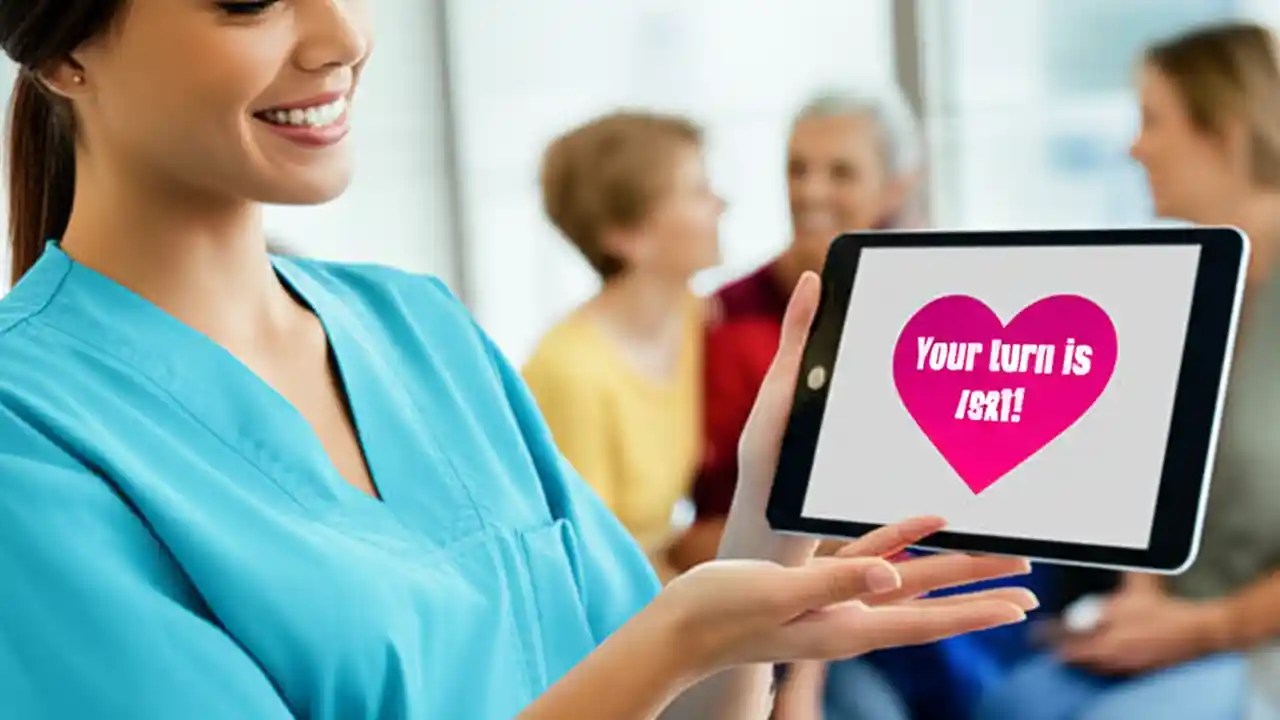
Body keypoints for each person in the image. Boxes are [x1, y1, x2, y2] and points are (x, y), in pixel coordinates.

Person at [0, 2, 1040, 719]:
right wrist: (672, 638)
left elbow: (672, 706)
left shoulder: (421, 328)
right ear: (62, 51)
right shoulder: (29, 434)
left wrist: (772, 531)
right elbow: (653, 660)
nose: (341, 36)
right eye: (247, 2)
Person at [977, 21, 1280, 720]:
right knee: (1005, 705)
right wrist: (1144, 593)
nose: (1133, 147)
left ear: (1226, 133)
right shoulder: (1193, 292)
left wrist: (1204, 629)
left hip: (1255, 641)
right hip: (1182, 625)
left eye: (1152, 120)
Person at [523, 112, 719, 579]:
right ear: (624, 235)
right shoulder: (569, 371)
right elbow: (589, 570)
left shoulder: (697, 318)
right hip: (617, 622)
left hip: (668, 590)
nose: (720, 204)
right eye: (696, 192)